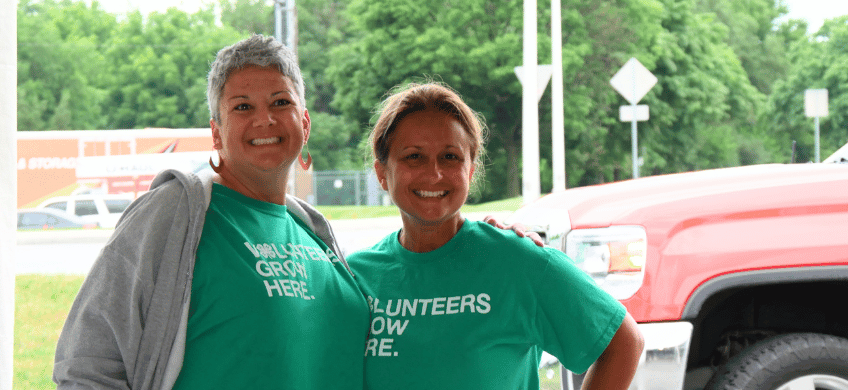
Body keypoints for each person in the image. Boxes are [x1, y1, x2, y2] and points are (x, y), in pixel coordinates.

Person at [53, 34, 369, 390]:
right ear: (216, 133)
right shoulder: (176, 213)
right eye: (243, 107)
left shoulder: (314, 231)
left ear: (305, 123)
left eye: (281, 102)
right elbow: (87, 366)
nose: (264, 119)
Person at [348, 82, 644, 390]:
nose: (434, 173)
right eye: (413, 156)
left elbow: (624, 343)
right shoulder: (356, 278)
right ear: (382, 173)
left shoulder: (517, 261)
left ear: (470, 170)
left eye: (450, 157)